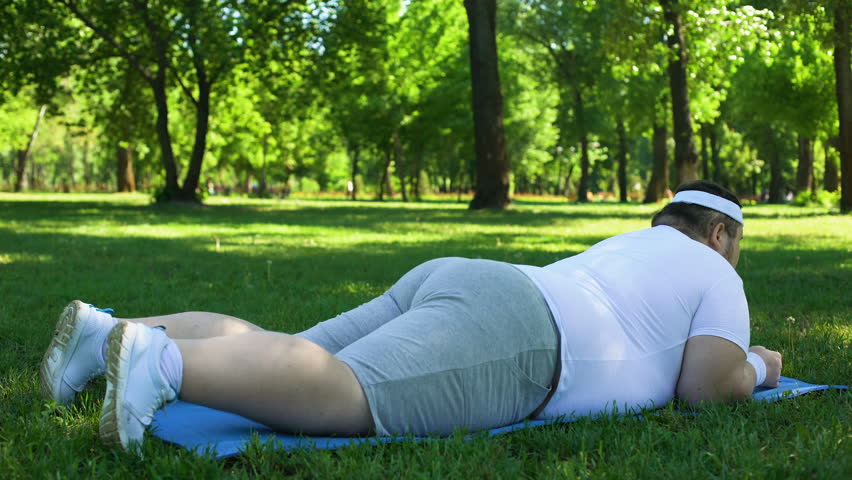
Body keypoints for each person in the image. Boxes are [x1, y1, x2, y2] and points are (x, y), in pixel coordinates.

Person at [40, 180, 783, 452]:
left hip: (467, 280)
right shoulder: (715, 269)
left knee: (286, 353)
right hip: (527, 335)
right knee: (339, 395)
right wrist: (759, 364)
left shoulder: (632, 240)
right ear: (723, 233)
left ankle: (108, 334)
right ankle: (162, 365)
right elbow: (706, 387)